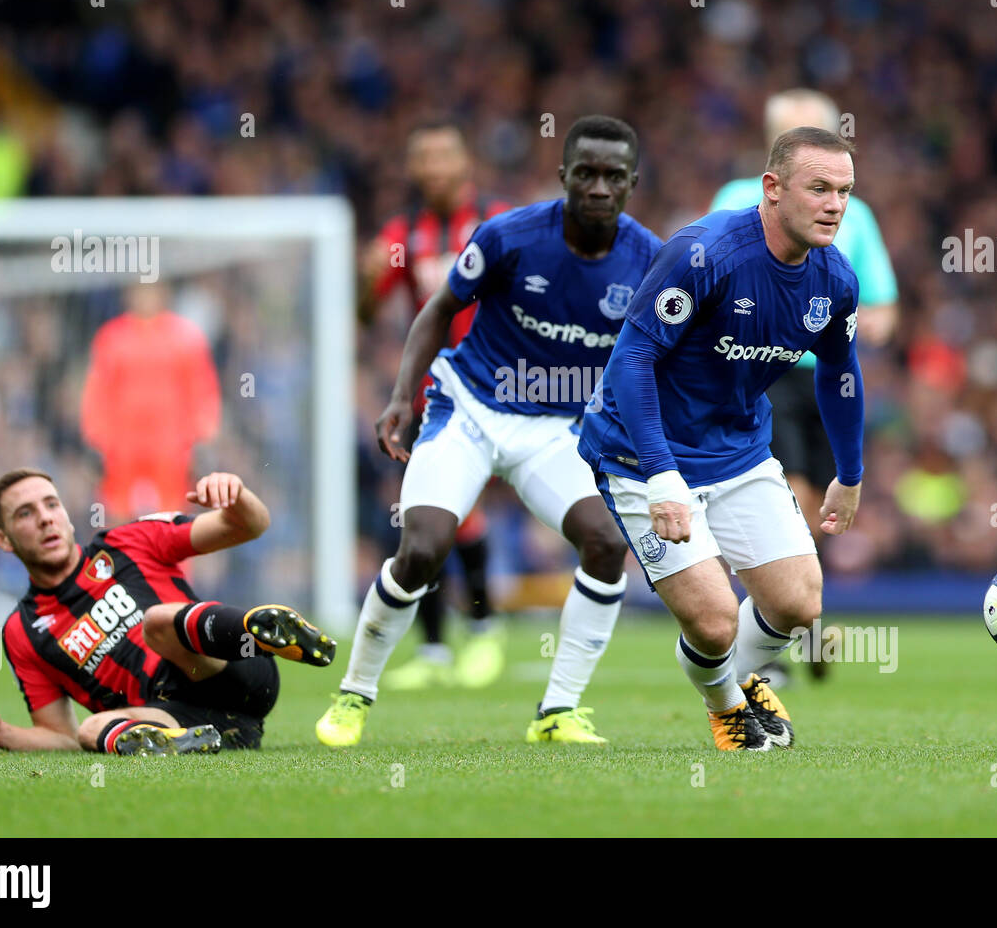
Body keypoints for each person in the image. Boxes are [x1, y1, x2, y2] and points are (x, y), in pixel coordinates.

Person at [316, 115, 662, 748]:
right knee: (421, 550)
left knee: (607, 544)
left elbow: (662, 356)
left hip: (555, 429)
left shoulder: (649, 260)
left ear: (632, 183)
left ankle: (557, 712)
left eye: (614, 176)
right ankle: (354, 695)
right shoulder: (509, 235)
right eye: (585, 173)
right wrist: (400, 397)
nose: (598, 187)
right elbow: (438, 309)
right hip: (470, 408)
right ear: (564, 176)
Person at [578, 127, 865, 750]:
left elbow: (840, 371)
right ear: (772, 188)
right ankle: (727, 703)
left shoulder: (835, 280)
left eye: (844, 191)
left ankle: (737, 675)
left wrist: (850, 472)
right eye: (819, 188)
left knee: (798, 605)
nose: (835, 205)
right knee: (711, 622)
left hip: (736, 450)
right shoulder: (706, 252)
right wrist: (658, 474)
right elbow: (632, 359)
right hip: (638, 451)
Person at [0, 469, 334, 755]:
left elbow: (249, 526)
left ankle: (260, 630)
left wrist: (236, 494)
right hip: (196, 718)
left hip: (235, 666)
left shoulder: (128, 542)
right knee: (92, 729)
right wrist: (1, 733)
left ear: (67, 516)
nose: (44, 519)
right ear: (3, 540)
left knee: (156, 623)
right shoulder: (23, 632)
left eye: (51, 504)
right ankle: (188, 745)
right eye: (25, 513)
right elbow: (61, 737)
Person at [711, 89, 896, 681]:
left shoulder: (854, 216)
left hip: (827, 378)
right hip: (761, 373)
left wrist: (833, 319)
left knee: (815, 511)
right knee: (788, 493)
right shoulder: (737, 200)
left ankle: (799, 624)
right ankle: (787, 642)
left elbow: (883, 309)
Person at [359, 118, 509, 692]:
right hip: (434, 392)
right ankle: (441, 647)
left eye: (445, 154)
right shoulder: (402, 234)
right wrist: (363, 278)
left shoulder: (497, 222)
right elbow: (366, 314)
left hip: (505, 387)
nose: (435, 167)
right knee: (426, 512)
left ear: (465, 161)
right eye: (424, 157)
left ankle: (484, 628)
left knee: (467, 510)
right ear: (413, 168)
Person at [79, 283, 221, 523]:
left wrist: (202, 437)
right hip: (122, 447)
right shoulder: (112, 338)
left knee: (171, 521)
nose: (145, 298)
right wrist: (96, 441)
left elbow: (202, 392)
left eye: (151, 290)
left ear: (163, 293)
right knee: (118, 518)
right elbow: (97, 394)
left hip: (170, 448)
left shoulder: (184, 338)